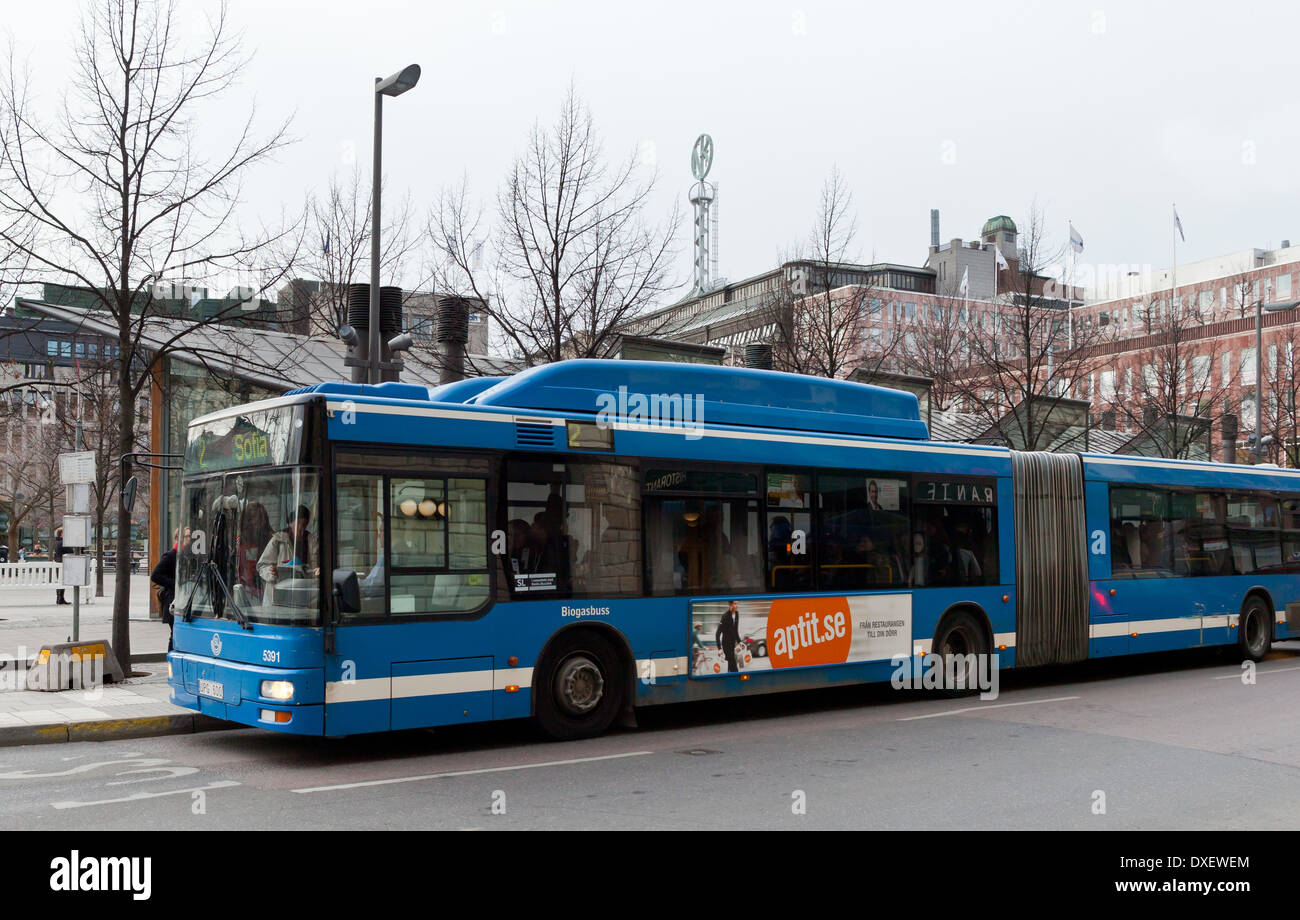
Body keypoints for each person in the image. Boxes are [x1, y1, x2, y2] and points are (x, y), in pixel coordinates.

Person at [257, 505, 320, 607]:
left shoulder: (313, 542)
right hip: (279, 595)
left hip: (306, 596)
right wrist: (270, 571)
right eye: (298, 523)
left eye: (304, 524)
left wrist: (319, 570)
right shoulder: (278, 540)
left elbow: (321, 566)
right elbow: (262, 565)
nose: (301, 528)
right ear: (291, 523)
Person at [150, 540, 178, 652]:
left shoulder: (191, 556)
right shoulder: (170, 556)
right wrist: (175, 583)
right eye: (186, 536)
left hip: (186, 602)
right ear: (177, 538)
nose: (189, 539)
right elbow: (155, 576)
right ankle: (171, 664)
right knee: (175, 634)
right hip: (173, 601)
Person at [716, 600, 742, 673]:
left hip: (732, 644)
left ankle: (729, 681)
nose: (737, 606)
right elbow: (718, 633)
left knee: (730, 665)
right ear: (730, 604)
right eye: (735, 604)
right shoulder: (725, 616)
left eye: (737, 604)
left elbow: (735, 631)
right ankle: (736, 680)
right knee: (733, 666)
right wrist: (719, 648)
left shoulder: (737, 614)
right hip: (726, 645)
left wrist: (740, 642)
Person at [54, 527, 67, 604]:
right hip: (61, 563)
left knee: (60, 581)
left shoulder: (58, 542)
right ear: (61, 534)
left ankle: (60, 598)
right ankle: (60, 598)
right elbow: (71, 551)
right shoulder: (63, 542)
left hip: (58, 563)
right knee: (62, 581)